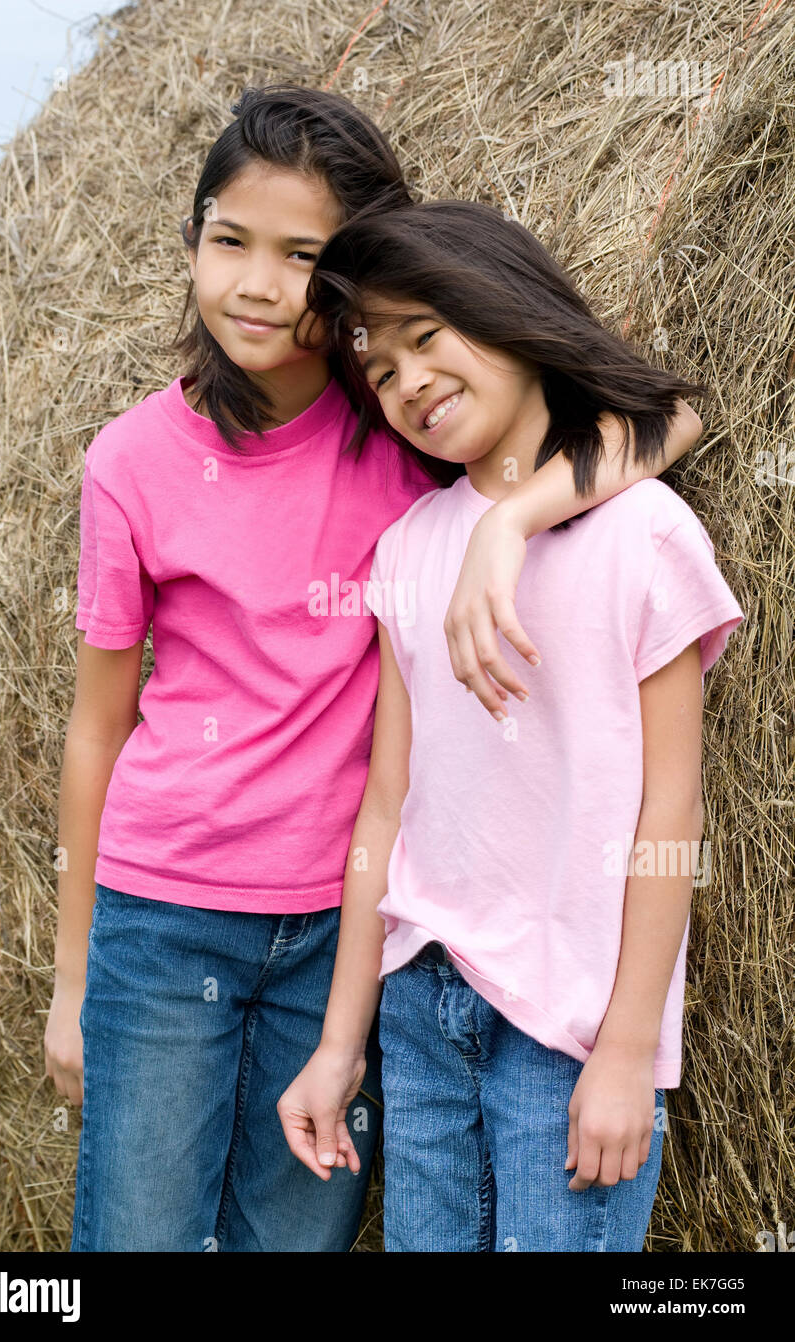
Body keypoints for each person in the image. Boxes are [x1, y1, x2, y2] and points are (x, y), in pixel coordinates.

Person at [45, 85, 703, 1252]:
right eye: (230, 240)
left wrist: (508, 523)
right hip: (174, 910)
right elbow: (96, 724)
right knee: (138, 1233)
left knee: (297, 1232)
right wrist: (68, 979)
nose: (258, 283)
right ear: (191, 237)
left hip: (341, 930)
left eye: (301, 257)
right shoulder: (137, 463)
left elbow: (653, 417)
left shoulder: (398, 447)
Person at [277, 199, 744, 1251]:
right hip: (422, 1005)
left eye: (422, 337)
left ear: (501, 307)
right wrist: (339, 1044)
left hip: (568, 1027)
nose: (404, 382)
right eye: (379, 372)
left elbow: (669, 806)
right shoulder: (404, 552)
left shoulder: (642, 533)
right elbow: (387, 800)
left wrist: (630, 1046)